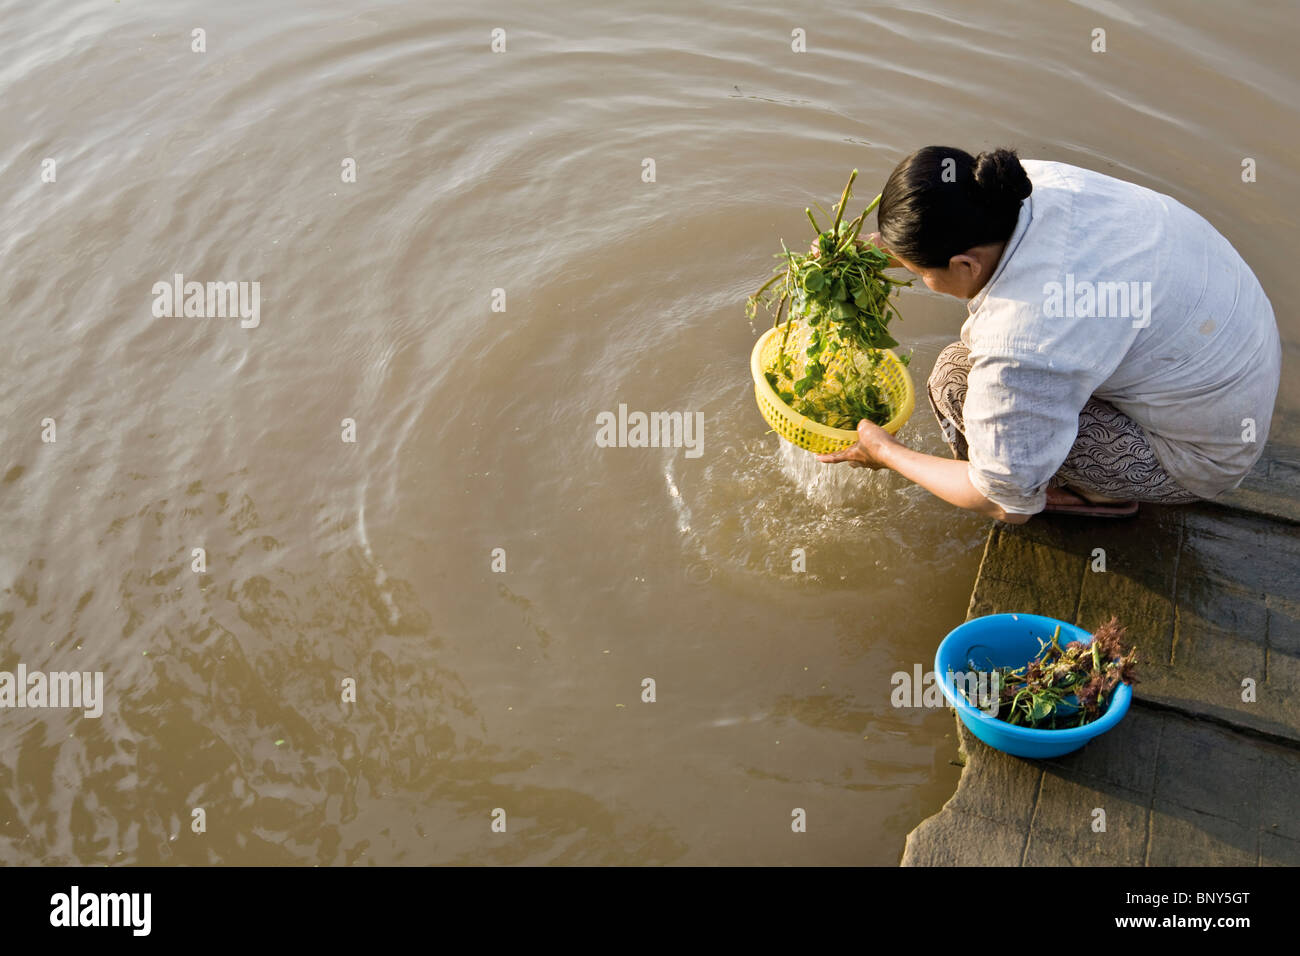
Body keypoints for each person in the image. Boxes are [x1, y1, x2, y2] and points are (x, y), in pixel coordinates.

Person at [816, 146, 1282, 522]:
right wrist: (874, 251)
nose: (922, 279)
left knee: (955, 381)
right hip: (1230, 357)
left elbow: (1003, 503)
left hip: (1202, 457)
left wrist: (887, 452)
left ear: (964, 264)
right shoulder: (1013, 186)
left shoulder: (1022, 344)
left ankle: (1092, 496)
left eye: (920, 273)